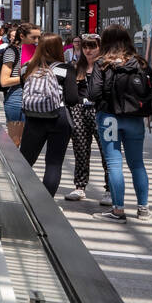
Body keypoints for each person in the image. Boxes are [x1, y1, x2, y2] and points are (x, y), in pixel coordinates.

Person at [87, 25, 152, 223]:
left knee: (114, 163)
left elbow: (93, 94)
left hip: (109, 118)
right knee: (137, 163)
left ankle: (118, 210)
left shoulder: (101, 64)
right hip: (135, 118)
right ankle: (143, 208)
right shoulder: (140, 63)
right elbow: (151, 92)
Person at [17, 33, 76, 196]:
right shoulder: (66, 70)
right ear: (59, 48)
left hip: (33, 117)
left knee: (26, 160)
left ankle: (20, 195)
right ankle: (47, 202)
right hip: (59, 116)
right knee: (53, 163)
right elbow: (72, 99)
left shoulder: (26, 67)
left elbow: (25, 90)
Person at [65, 33, 110, 203]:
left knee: (107, 151)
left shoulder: (105, 67)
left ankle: (109, 189)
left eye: (92, 46)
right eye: (85, 46)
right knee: (81, 149)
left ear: (100, 47)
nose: (88, 50)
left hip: (100, 111)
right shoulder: (76, 67)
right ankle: (80, 186)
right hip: (79, 111)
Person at [0, 22, 41, 145]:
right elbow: (4, 81)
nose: (36, 40)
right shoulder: (12, 52)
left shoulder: (37, 51)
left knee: (29, 143)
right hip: (17, 98)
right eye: (33, 37)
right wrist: (26, 77)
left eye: (39, 37)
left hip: (35, 97)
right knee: (15, 142)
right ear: (22, 36)